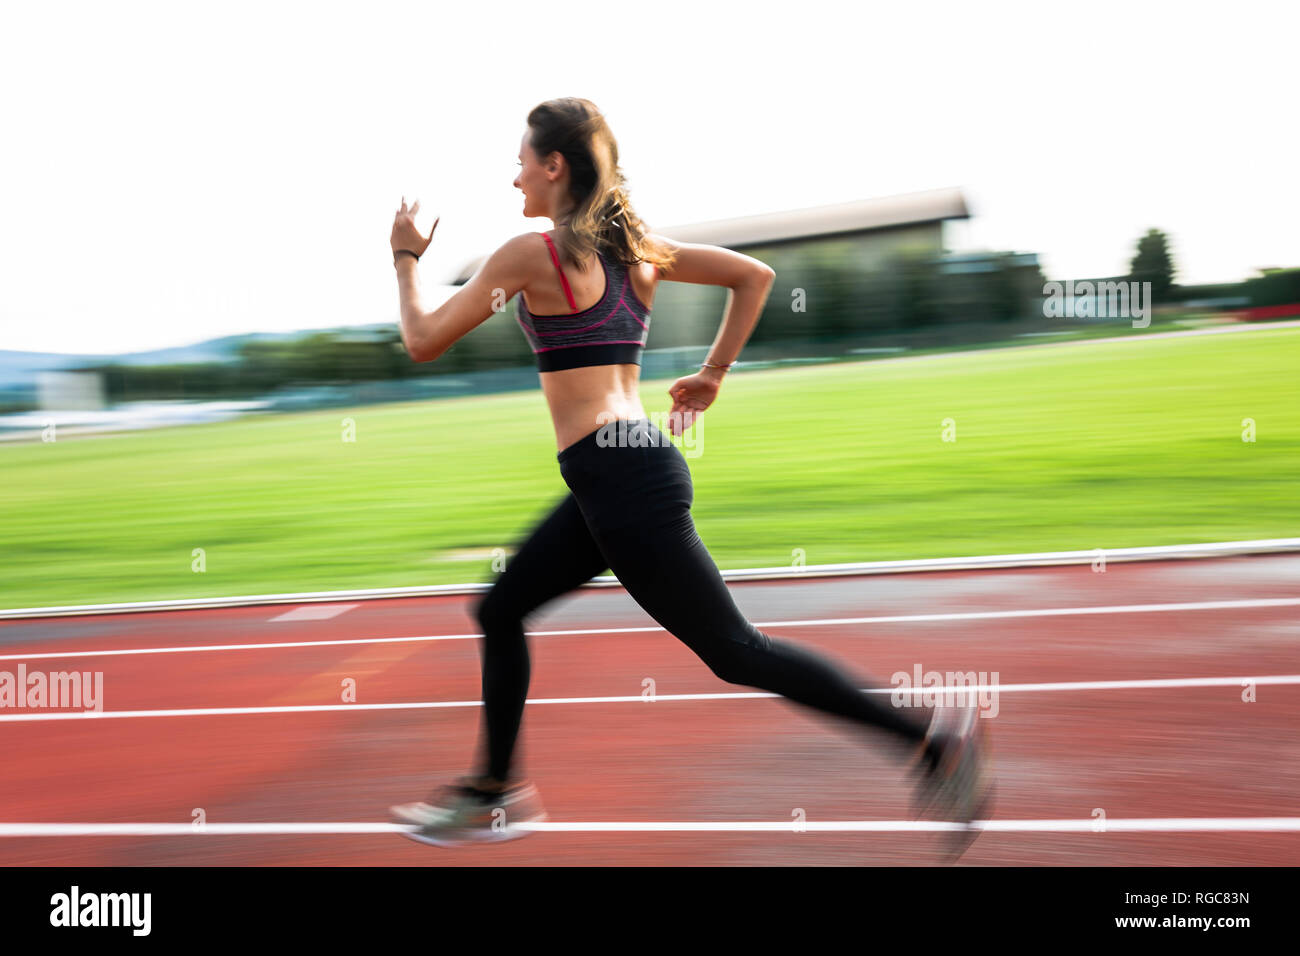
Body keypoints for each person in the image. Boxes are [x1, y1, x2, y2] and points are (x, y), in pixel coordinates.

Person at [386, 97, 992, 858]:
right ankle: (494, 792)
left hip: (622, 485)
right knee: (501, 608)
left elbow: (422, 340)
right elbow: (754, 276)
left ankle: (935, 741)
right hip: (621, 475)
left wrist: (405, 257)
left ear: (555, 166)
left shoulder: (528, 255)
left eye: (521, 163)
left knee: (738, 653)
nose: (513, 179)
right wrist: (711, 375)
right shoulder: (638, 251)